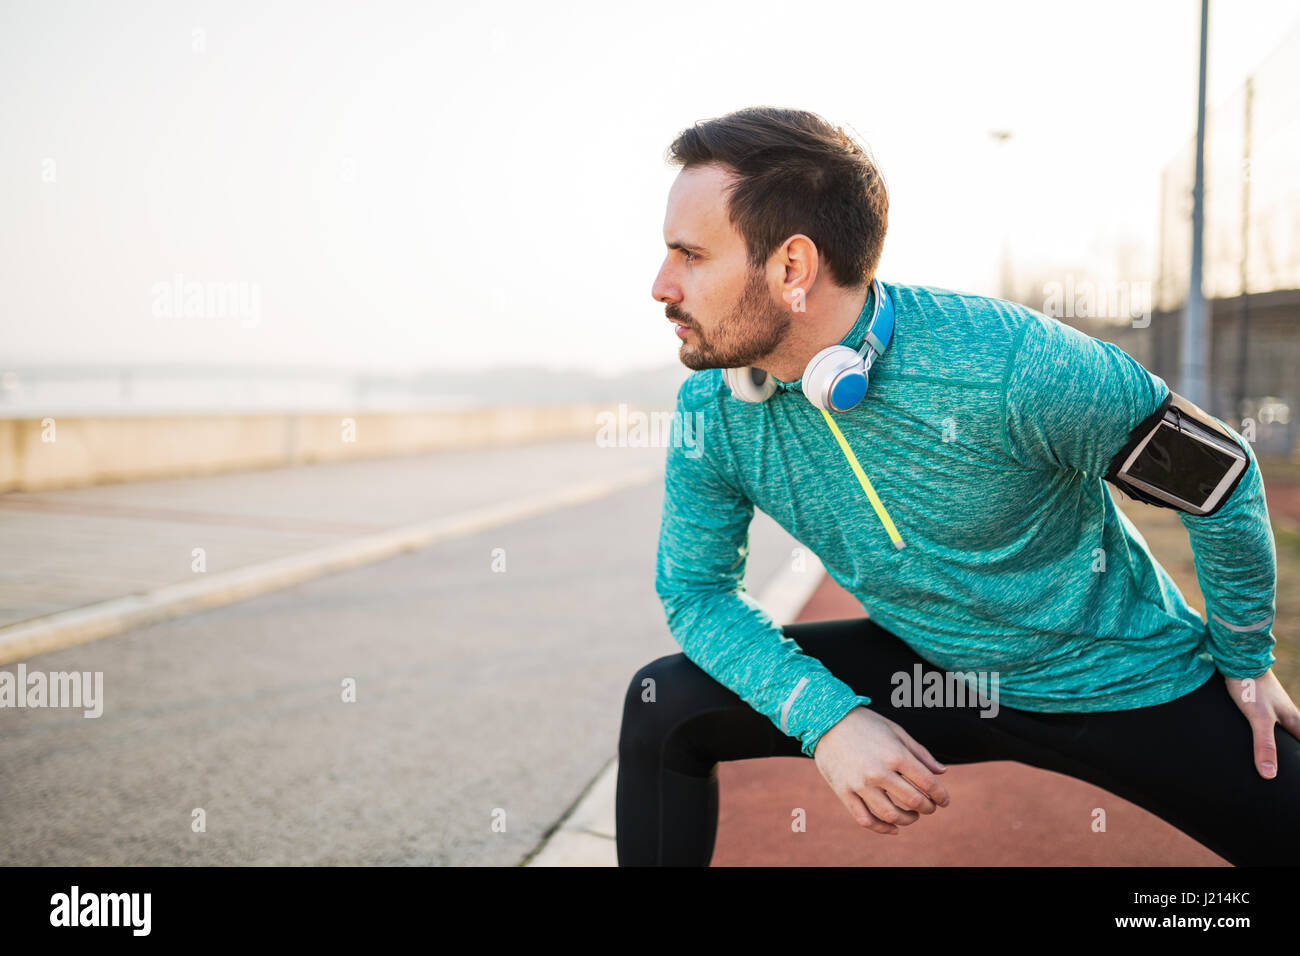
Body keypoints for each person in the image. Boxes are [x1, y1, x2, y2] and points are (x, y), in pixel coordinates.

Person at [616, 105, 1300, 867]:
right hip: (933, 674)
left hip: (1122, 681)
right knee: (665, 705)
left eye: (690, 254)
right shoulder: (714, 408)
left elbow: (1221, 476)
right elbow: (697, 592)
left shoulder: (1016, 365)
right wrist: (828, 718)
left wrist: (1244, 657)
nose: (660, 285)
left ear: (790, 268)